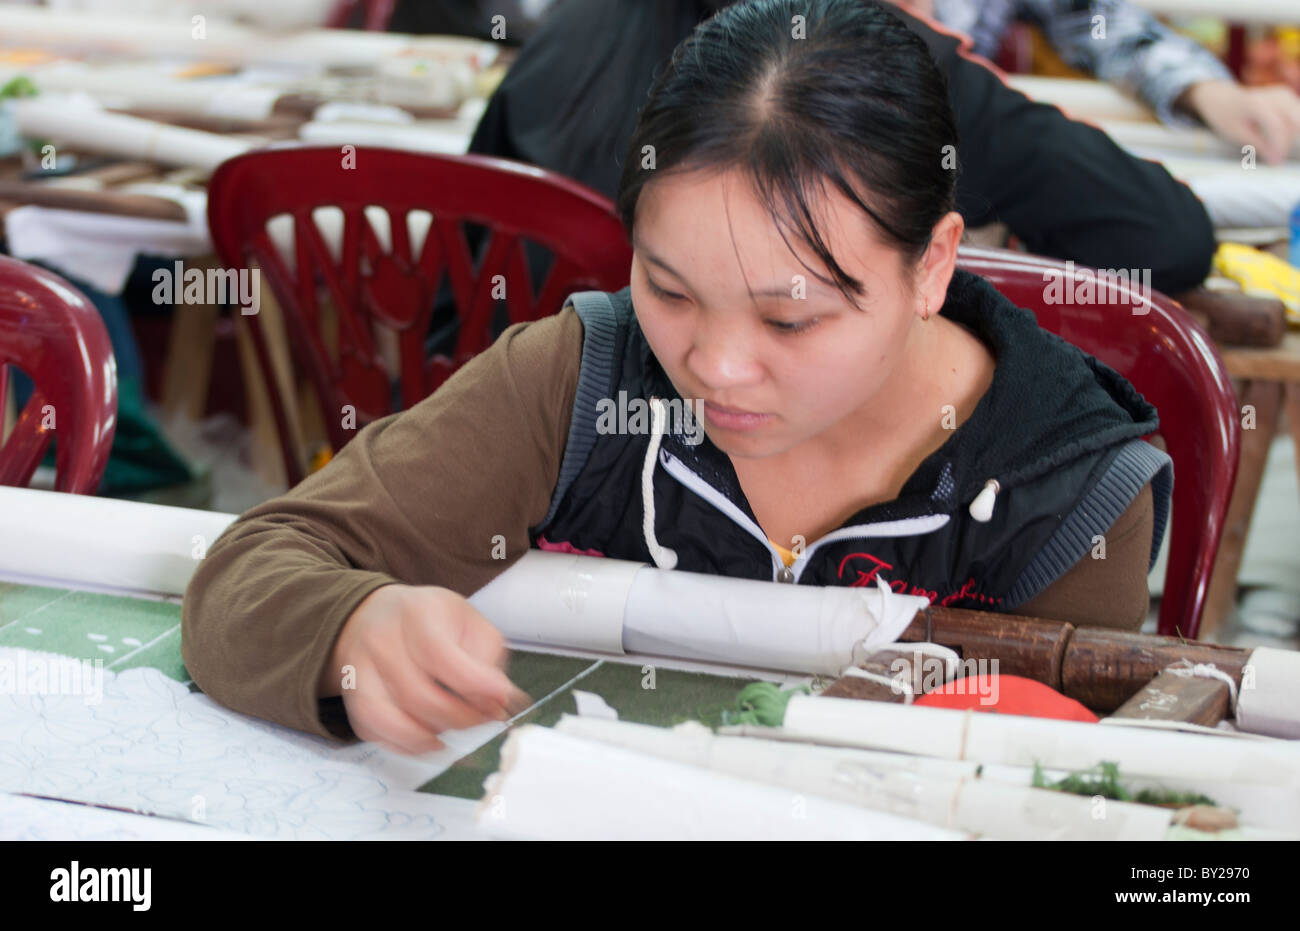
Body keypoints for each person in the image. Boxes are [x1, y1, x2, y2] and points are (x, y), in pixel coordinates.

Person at [183, 0, 1171, 754]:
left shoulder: (1066, 490)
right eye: (670, 288)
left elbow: (1050, 779)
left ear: (932, 266)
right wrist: (353, 622)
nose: (715, 365)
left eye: (791, 316)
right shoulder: (580, 383)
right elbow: (256, 567)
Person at [468, 0, 1216, 298]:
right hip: (739, 506)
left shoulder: (565, 33)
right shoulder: (888, 69)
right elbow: (1166, 236)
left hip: (530, 484)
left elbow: (460, 260)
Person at [897, 0, 1300, 165]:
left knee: (1169, 231)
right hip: (859, 134)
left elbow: (1099, 24)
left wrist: (1202, 90)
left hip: (955, 153)